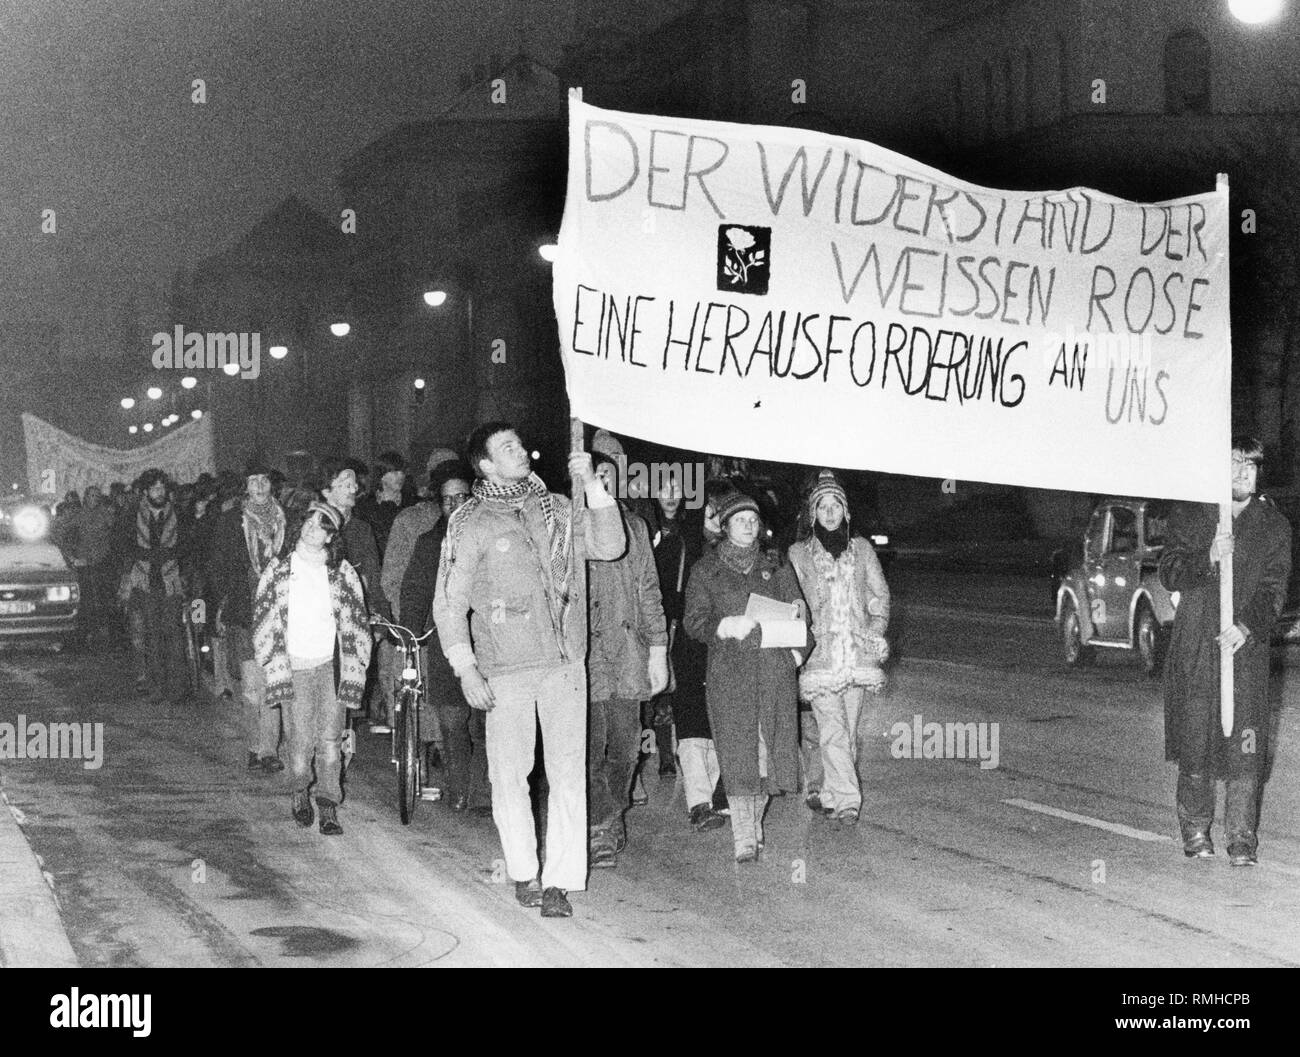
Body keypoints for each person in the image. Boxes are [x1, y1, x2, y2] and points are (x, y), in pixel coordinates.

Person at [433, 422, 625, 918]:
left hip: (564, 662)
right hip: (506, 668)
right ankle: (524, 871)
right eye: (508, 447)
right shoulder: (469, 522)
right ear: (487, 465)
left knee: (567, 776)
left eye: (521, 442)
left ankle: (560, 880)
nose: (521, 450)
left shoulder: (559, 509)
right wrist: (466, 668)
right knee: (511, 776)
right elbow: (449, 605)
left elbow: (609, 546)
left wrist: (592, 486)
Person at [1159, 436, 1292, 867]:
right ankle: (1196, 830)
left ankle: (1241, 838)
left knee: (1245, 746)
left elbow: (1274, 589)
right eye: (1234, 464)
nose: (1241, 474)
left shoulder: (1273, 526)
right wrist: (1208, 556)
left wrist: (1246, 626)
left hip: (1244, 653)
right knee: (1197, 740)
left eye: (1250, 467)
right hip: (1198, 647)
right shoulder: (1193, 515)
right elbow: (1169, 572)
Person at [684, 490, 811, 863]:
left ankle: (753, 824)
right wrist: (722, 626)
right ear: (724, 526)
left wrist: (794, 652)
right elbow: (694, 621)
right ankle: (744, 835)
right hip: (730, 674)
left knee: (768, 753)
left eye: (753, 520)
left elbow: (801, 616)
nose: (748, 525)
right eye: (740, 520)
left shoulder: (777, 565)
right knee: (738, 753)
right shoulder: (705, 570)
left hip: (774, 673)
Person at [253, 501, 372, 836]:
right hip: (295, 666)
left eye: (322, 526)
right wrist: (272, 662)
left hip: (330, 666)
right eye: (309, 522)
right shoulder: (278, 569)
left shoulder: (343, 572)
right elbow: (263, 618)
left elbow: (357, 621)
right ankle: (299, 790)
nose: (312, 529)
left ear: (331, 536)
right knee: (301, 738)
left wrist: (357, 663)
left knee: (331, 739)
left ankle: (328, 802)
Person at [789, 470, 890, 825]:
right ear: (813, 513)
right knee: (831, 729)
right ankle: (849, 799)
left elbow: (879, 597)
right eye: (822, 507)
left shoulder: (861, 549)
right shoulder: (798, 554)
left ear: (846, 512)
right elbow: (793, 603)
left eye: (835, 506)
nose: (829, 513)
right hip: (820, 658)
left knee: (847, 730)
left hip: (858, 655)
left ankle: (831, 792)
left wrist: (875, 630)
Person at [585, 453, 669, 868]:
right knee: (589, 748)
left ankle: (610, 813)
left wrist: (658, 650)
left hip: (629, 656)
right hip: (585, 659)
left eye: (607, 475)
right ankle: (600, 825)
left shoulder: (635, 527)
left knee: (624, 748)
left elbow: (650, 592)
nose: (601, 481)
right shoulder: (571, 526)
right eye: (593, 475)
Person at [400, 466, 490, 811]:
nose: (454, 504)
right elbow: (415, 591)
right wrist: (409, 633)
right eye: (447, 498)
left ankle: (485, 793)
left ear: (473, 498)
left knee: (484, 723)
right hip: (445, 645)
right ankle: (459, 791)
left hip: (486, 642)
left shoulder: (487, 536)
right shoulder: (429, 543)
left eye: (461, 497)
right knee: (453, 723)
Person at [208, 463, 287, 772]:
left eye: (263, 480)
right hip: (245, 613)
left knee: (274, 685)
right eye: (252, 480)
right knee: (253, 687)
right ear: (245, 486)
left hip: (279, 614)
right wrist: (222, 605)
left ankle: (270, 750)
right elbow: (219, 568)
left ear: (272, 485)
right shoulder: (231, 522)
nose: (258, 485)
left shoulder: (286, 522)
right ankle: (254, 748)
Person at [319, 457, 390, 732]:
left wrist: (381, 615)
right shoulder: (314, 527)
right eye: (344, 484)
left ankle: (338, 754)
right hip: (320, 625)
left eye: (354, 484)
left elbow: (373, 572)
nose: (352, 489)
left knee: (347, 692)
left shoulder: (361, 529)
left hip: (353, 622)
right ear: (326, 491)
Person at [118, 469, 191, 705]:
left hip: (171, 580)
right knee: (152, 636)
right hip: (146, 581)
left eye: (162, 488)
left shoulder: (178, 513)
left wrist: (181, 567)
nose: (159, 492)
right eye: (155, 488)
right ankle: (157, 686)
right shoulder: (132, 515)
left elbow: (189, 546)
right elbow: (124, 547)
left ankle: (177, 689)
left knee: (174, 634)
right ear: (146, 491)